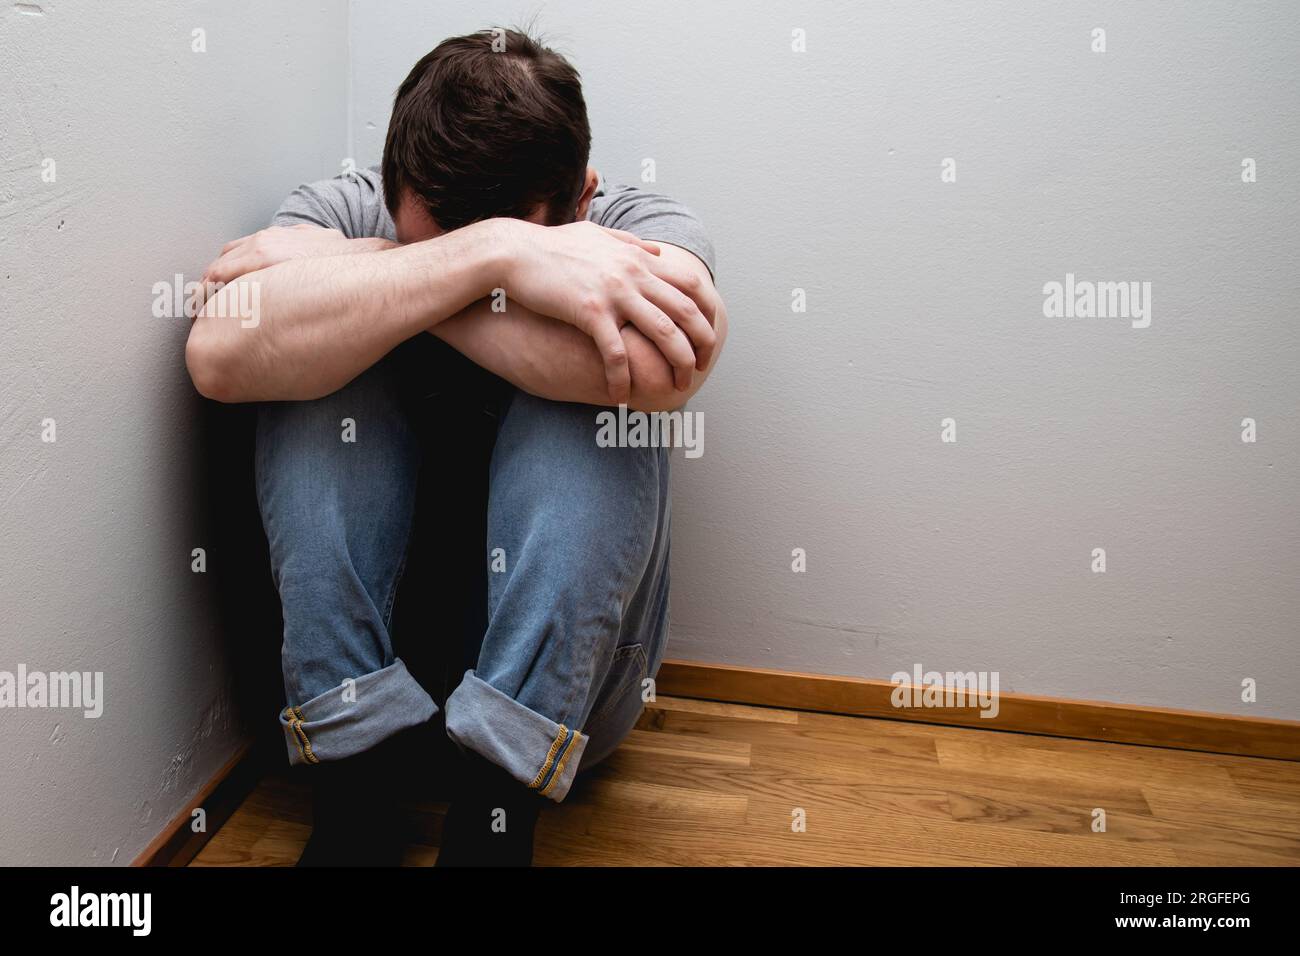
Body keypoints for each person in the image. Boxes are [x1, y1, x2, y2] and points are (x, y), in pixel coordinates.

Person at [185, 27, 727, 866]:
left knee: (600, 383)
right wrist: (497, 259)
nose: (443, 248)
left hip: (563, 703)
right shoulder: (342, 208)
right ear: (387, 176)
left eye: (499, 234)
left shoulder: (633, 226)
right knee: (311, 365)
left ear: (579, 200)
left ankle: (495, 817)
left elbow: (667, 369)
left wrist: (400, 274)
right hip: (361, 669)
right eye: (422, 235)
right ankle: (354, 797)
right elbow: (217, 358)